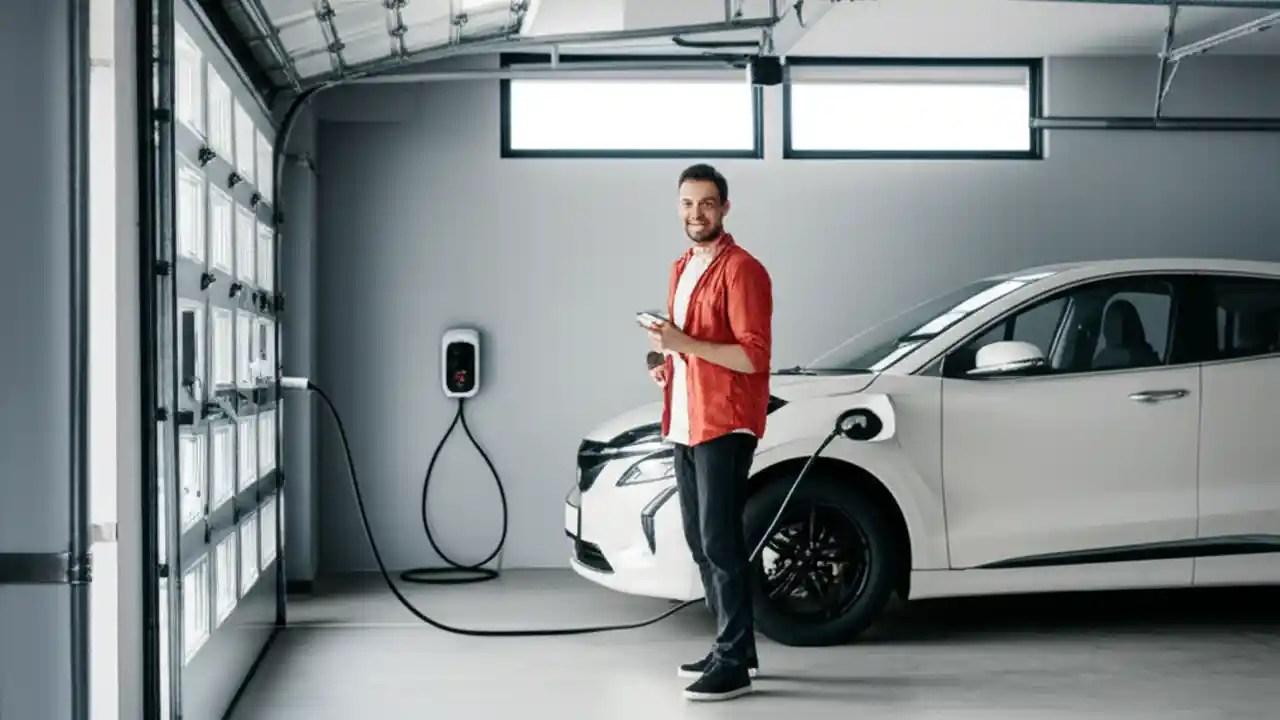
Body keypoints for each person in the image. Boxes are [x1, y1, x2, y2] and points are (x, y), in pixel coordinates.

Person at [642, 163, 773, 702]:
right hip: (685, 420)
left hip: (724, 420)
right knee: (701, 541)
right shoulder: (682, 267)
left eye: (707, 203)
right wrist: (663, 359)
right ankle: (734, 648)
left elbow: (752, 356)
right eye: (688, 203)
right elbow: (687, 344)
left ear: (725, 208)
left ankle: (732, 663)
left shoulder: (743, 270)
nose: (696, 213)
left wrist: (684, 345)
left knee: (721, 541)